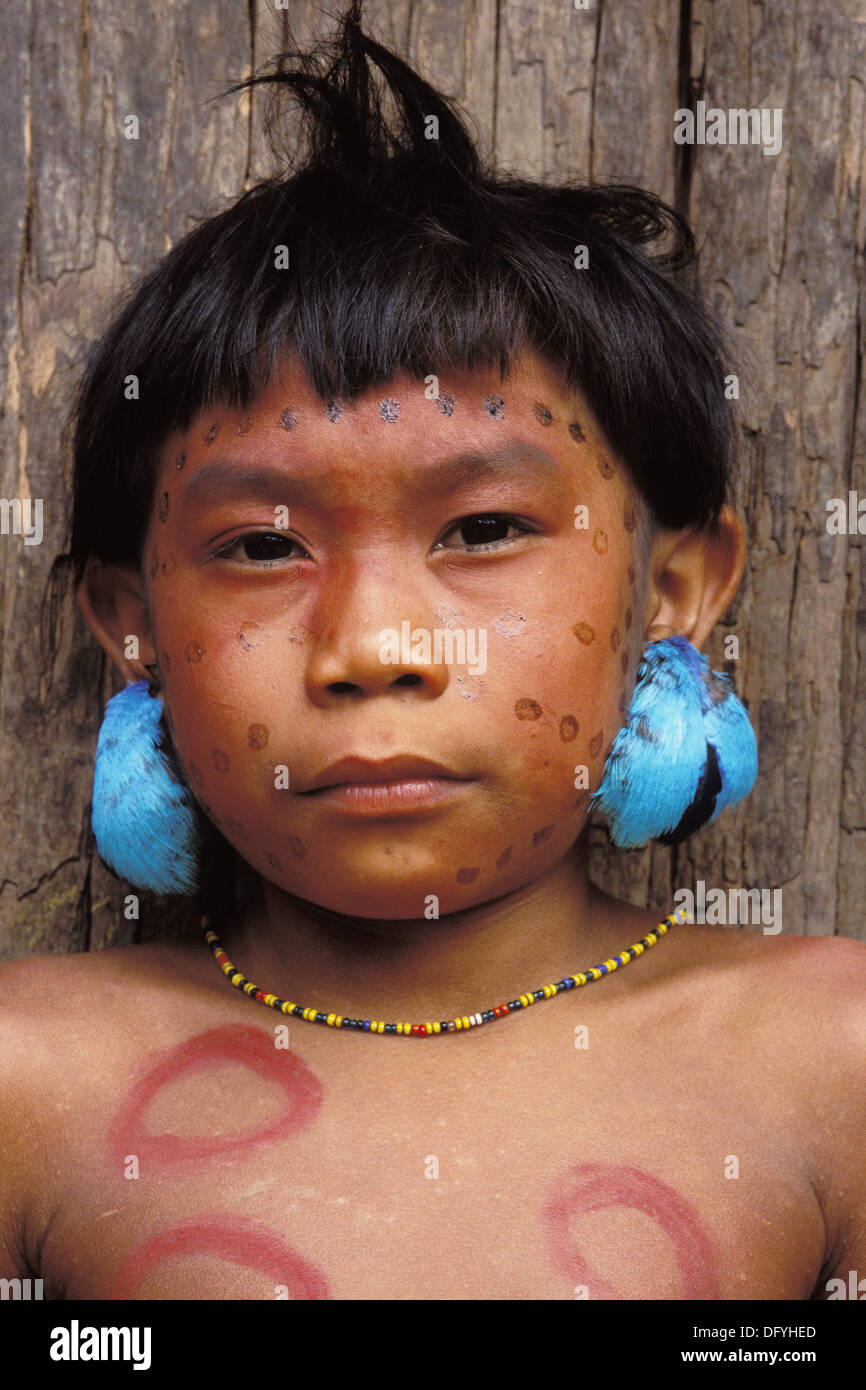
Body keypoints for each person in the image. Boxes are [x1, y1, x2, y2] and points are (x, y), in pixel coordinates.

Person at [1, 0, 863, 1301]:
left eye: (482, 525)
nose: (372, 648)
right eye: (259, 547)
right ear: (130, 624)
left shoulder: (832, 1058)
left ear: (674, 588)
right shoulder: (30, 1079)